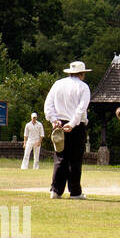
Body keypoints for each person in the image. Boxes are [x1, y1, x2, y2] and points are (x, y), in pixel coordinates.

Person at [44, 61, 93, 200]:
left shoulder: (58, 84)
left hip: (59, 123)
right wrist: (72, 124)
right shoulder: (83, 87)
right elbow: (81, 109)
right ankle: (75, 192)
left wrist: (53, 119)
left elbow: (48, 104)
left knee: (60, 158)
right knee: (75, 159)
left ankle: (56, 190)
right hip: (76, 125)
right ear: (82, 74)